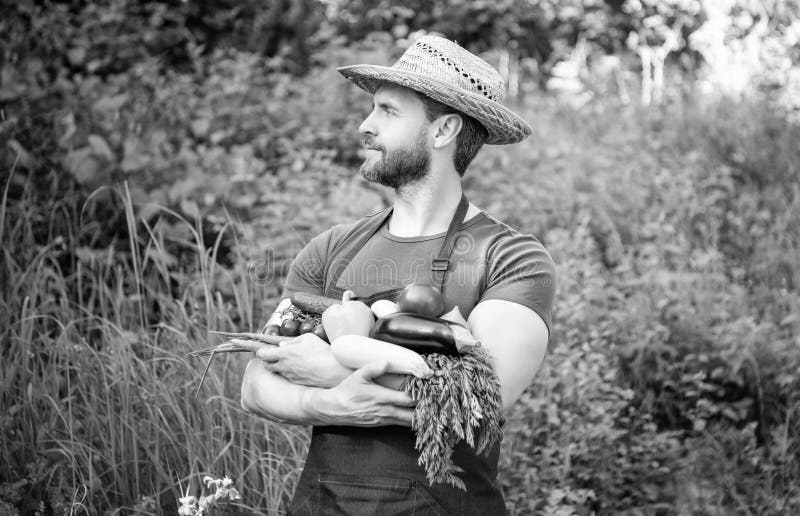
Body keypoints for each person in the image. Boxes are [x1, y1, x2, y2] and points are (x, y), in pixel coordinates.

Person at [240, 34, 555, 515]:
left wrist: (329, 369)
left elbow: (481, 403)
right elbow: (256, 385)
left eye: (387, 111)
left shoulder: (509, 258)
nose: (365, 126)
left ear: (444, 128)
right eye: (371, 110)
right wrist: (330, 404)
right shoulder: (331, 249)